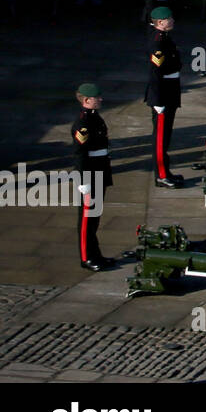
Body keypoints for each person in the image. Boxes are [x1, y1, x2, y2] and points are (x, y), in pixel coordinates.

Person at [72, 82, 114, 271]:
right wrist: (83, 181)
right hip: (90, 174)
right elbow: (80, 154)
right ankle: (86, 257)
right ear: (87, 100)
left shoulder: (94, 118)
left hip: (100, 169)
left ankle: (95, 254)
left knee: (95, 217)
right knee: (87, 220)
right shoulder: (82, 124)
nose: (101, 99)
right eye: (97, 97)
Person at [145, 6, 183, 188]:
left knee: (166, 136)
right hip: (163, 95)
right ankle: (161, 175)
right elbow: (155, 74)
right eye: (169, 18)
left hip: (170, 91)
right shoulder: (158, 43)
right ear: (160, 23)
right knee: (160, 139)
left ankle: (166, 172)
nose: (173, 20)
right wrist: (158, 101)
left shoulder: (165, 38)